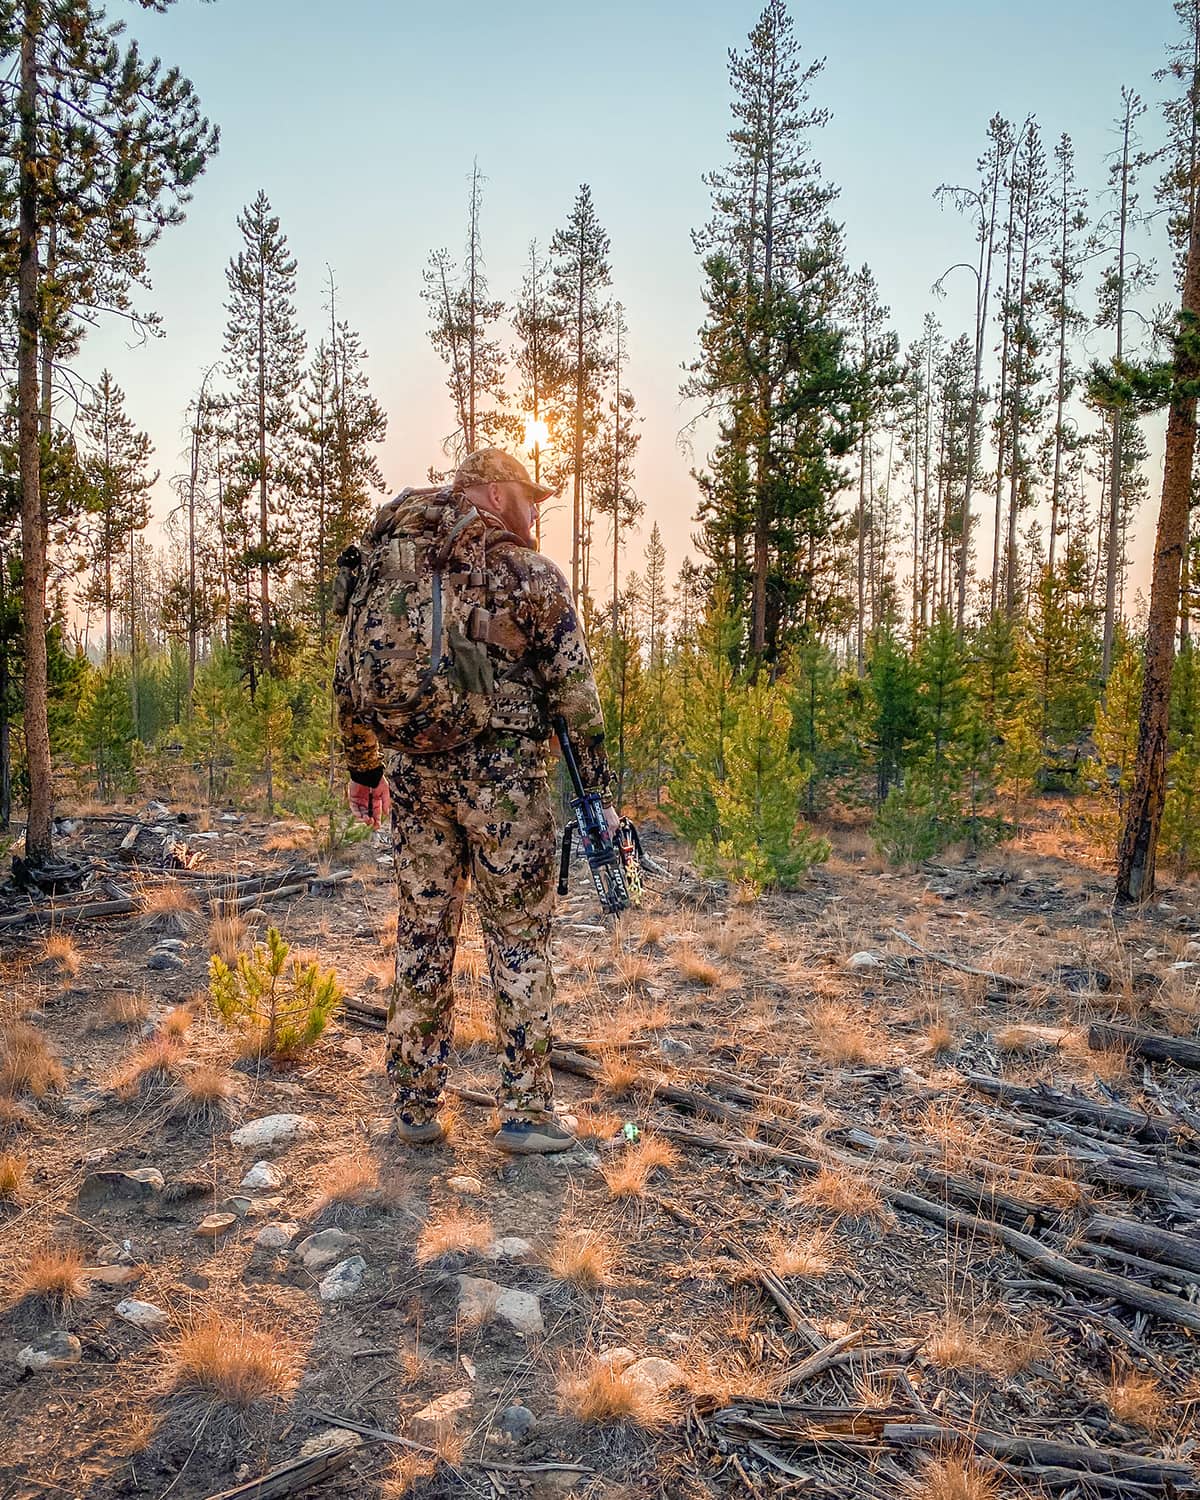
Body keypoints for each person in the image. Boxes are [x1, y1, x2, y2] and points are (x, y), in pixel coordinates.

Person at [336, 448, 618, 1154]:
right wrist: (599, 795)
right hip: (505, 786)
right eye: (530, 495)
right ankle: (524, 1112)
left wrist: (366, 771)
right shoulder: (529, 575)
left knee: (422, 934)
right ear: (495, 491)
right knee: (518, 938)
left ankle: (413, 1108)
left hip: (413, 776)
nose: (538, 509)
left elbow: (351, 677)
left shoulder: (392, 563)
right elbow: (575, 700)